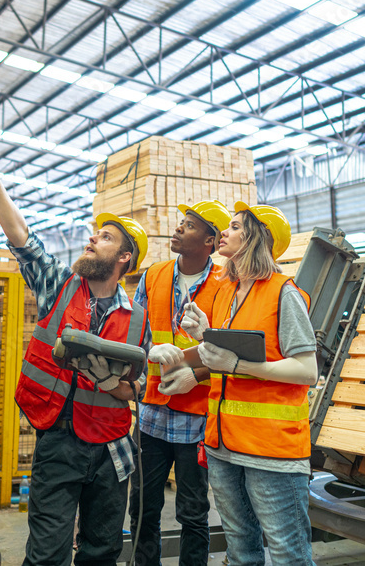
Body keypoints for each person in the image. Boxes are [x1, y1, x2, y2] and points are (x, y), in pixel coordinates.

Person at [0, 134, 152, 566]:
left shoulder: (139, 321)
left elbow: (143, 389)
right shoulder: (61, 287)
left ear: (123, 258)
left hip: (111, 447)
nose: (91, 240)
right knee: (47, 554)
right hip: (59, 440)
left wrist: (115, 385)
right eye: (93, 234)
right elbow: (22, 238)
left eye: (103, 238)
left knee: (102, 552)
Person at [150, 202, 318, 566]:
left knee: (289, 555)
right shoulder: (226, 291)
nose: (224, 232)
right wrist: (188, 347)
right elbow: (220, 354)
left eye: (236, 227)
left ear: (256, 238)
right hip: (224, 446)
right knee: (241, 551)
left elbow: (307, 370)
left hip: (271, 451)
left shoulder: (282, 292)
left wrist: (239, 365)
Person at [128, 201, 231, 566]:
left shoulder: (226, 284)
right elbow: (134, 336)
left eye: (188, 226)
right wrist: (149, 351)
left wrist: (197, 375)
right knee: (143, 508)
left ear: (210, 240)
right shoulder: (153, 276)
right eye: (181, 223)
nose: (178, 229)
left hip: (197, 416)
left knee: (193, 512)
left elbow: (231, 354)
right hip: (152, 414)